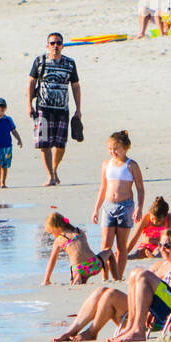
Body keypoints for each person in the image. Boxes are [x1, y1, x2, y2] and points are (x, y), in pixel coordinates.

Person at [27, 32, 81, 186]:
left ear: (63, 45)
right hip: (43, 108)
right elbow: (31, 82)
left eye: (58, 43)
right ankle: (50, 175)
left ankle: (54, 169)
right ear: (47, 45)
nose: (55, 46)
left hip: (62, 108)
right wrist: (28, 104)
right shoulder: (40, 61)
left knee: (60, 144)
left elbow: (75, 86)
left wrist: (78, 108)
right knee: (44, 144)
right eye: (52, 43)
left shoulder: (70, 63)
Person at [91, 130, 145, 279]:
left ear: (125, 147)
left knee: (122, 246)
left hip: (126, 207)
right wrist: (96, 209)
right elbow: (103, 188)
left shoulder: (131, 165)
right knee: (105, 246)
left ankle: (118, 277)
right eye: (110, 148)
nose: (112, 151)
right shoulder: (106, 165)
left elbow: (140, 189)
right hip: (108, 207)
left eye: (116, 148)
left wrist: (139, 208)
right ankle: (105, 276)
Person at [42, 211, 114, 284]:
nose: (53, 235)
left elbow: (52, 261)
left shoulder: (58, 240)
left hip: (79, 269)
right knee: (109, 251)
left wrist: (46, 280)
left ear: (55, 228)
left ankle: (78, 276)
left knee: (78, 268)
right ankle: (112, 278)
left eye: (51, 233)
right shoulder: (79, 231)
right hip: (94, 265)